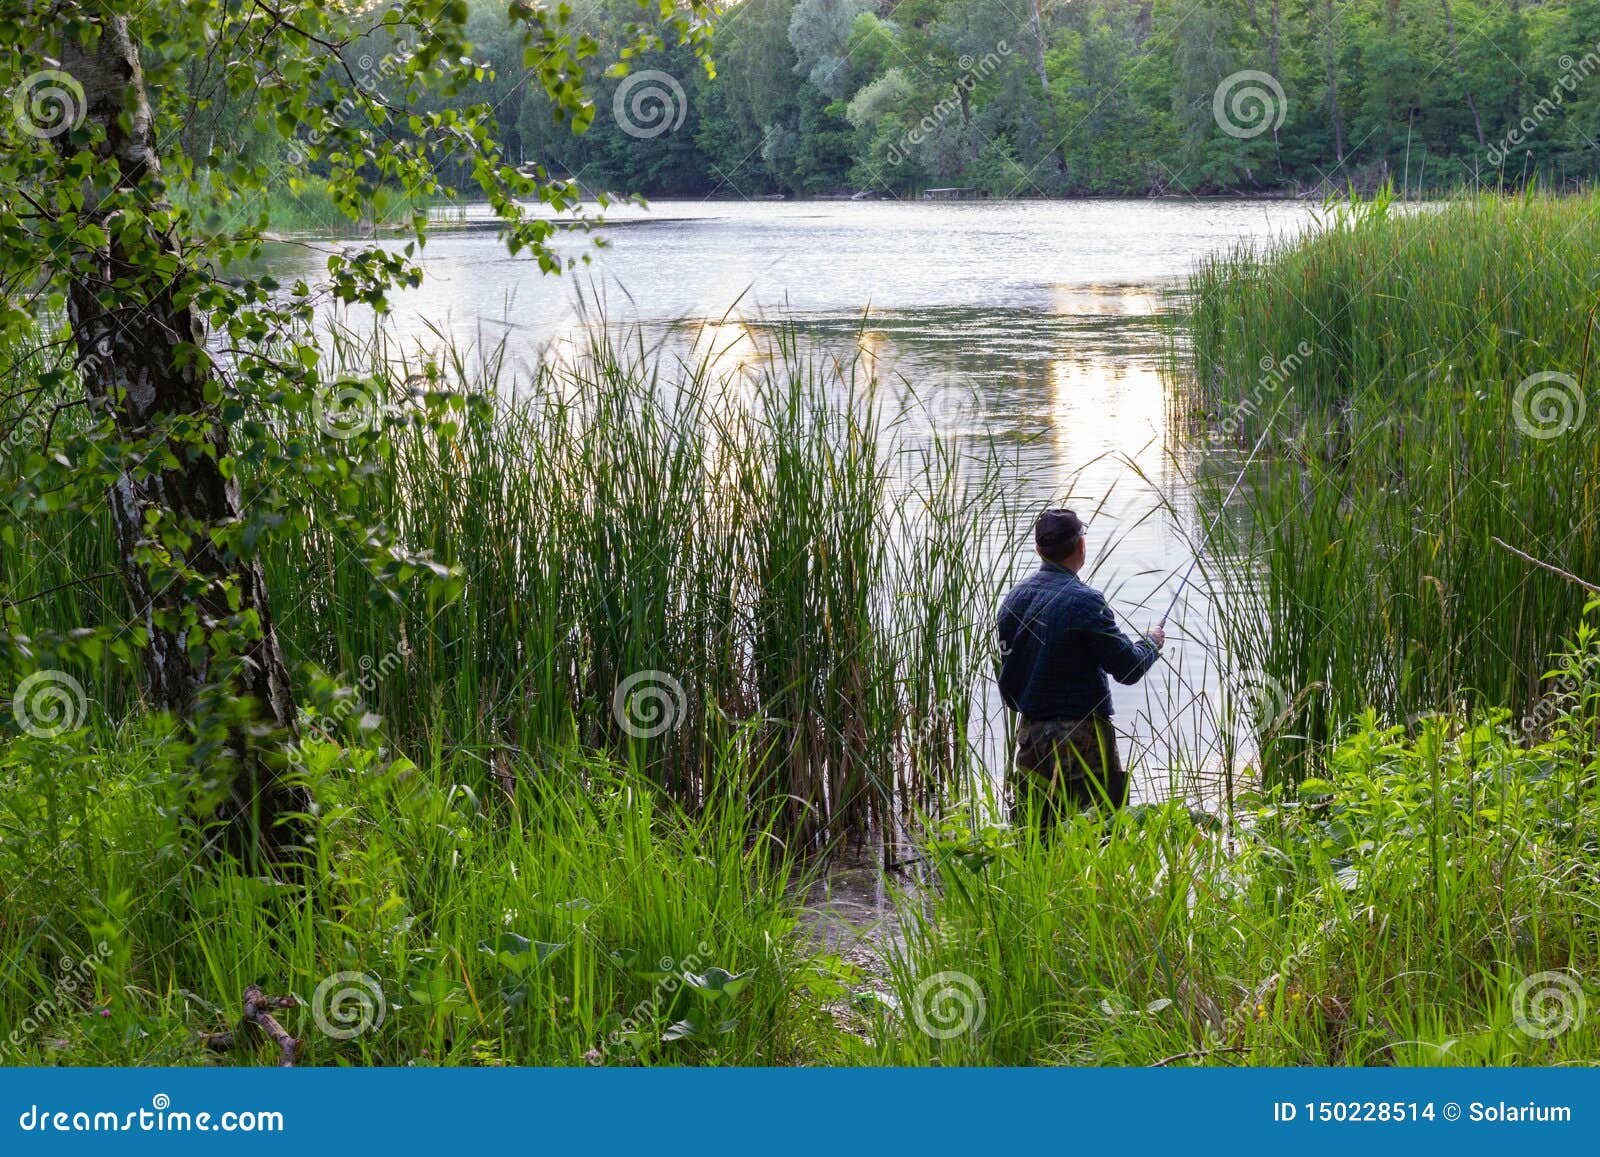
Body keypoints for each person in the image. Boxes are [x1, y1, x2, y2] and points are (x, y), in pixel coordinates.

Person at [996, 507, 1164, 828]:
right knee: (1099, 838)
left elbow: (1011, 682)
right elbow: (1128, 668)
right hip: (1083, 746)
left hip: (1030, 741)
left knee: (1037, 839)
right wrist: (1150, 644)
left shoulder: (1012, 602)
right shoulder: (1085, 601)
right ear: (1081, 546)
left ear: (1038, 550)